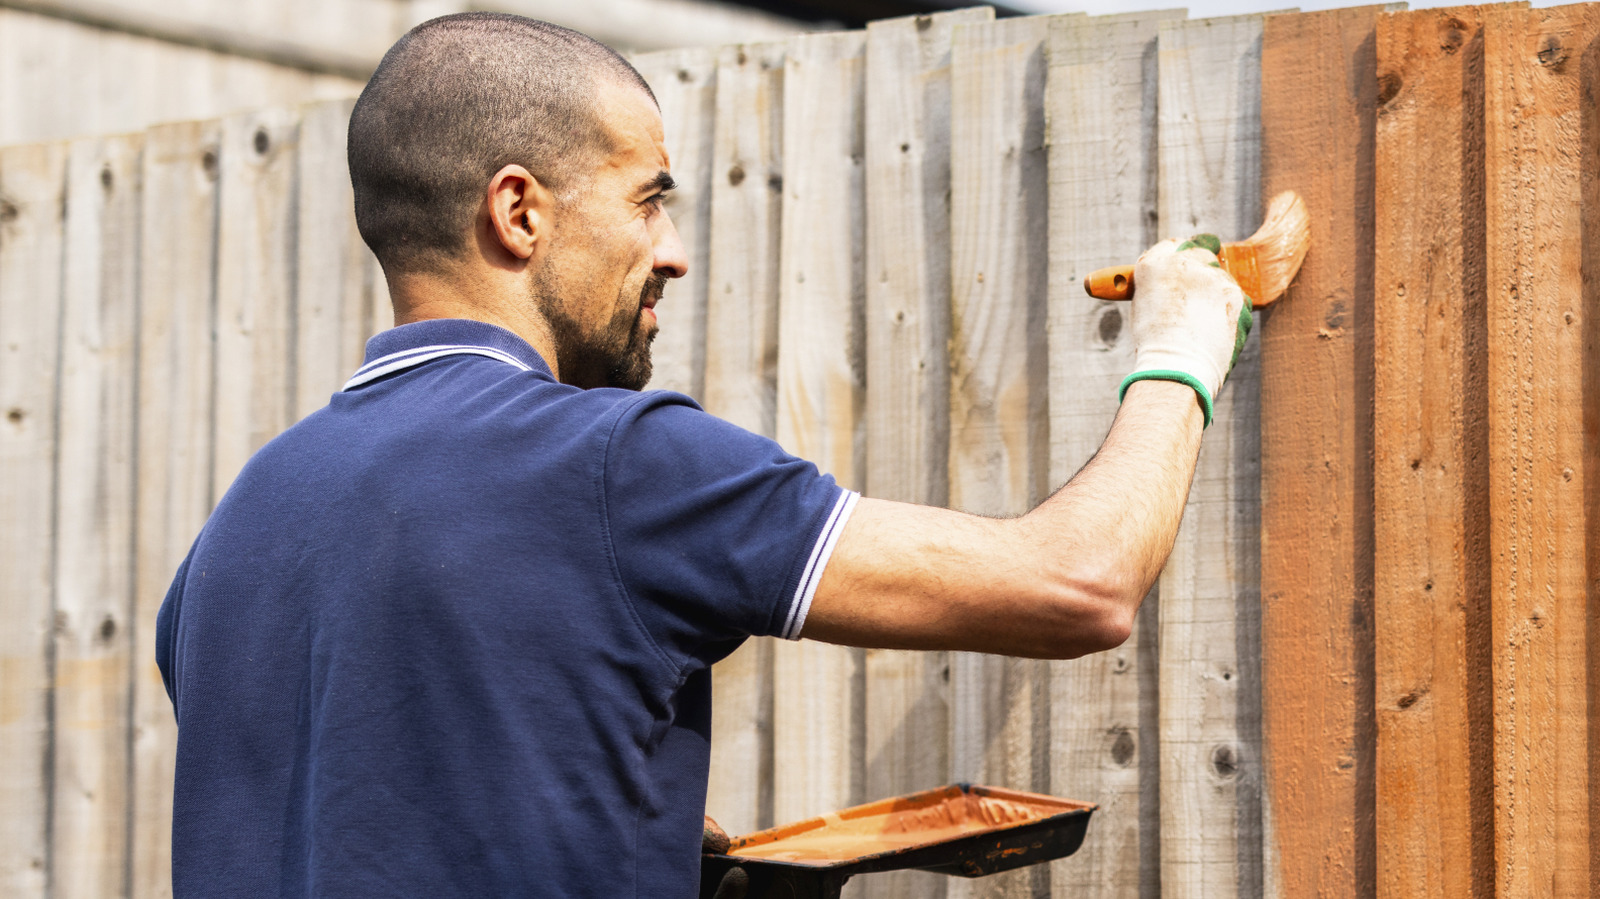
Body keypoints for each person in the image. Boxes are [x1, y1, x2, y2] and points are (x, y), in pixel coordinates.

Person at [155, 12, 1249, 899]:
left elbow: (375, 808)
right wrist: (1179, 349)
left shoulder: (233, 531)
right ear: (518, 211)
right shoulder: (616, 466)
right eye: (647, 200)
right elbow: (1075, 583)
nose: (671, 251)